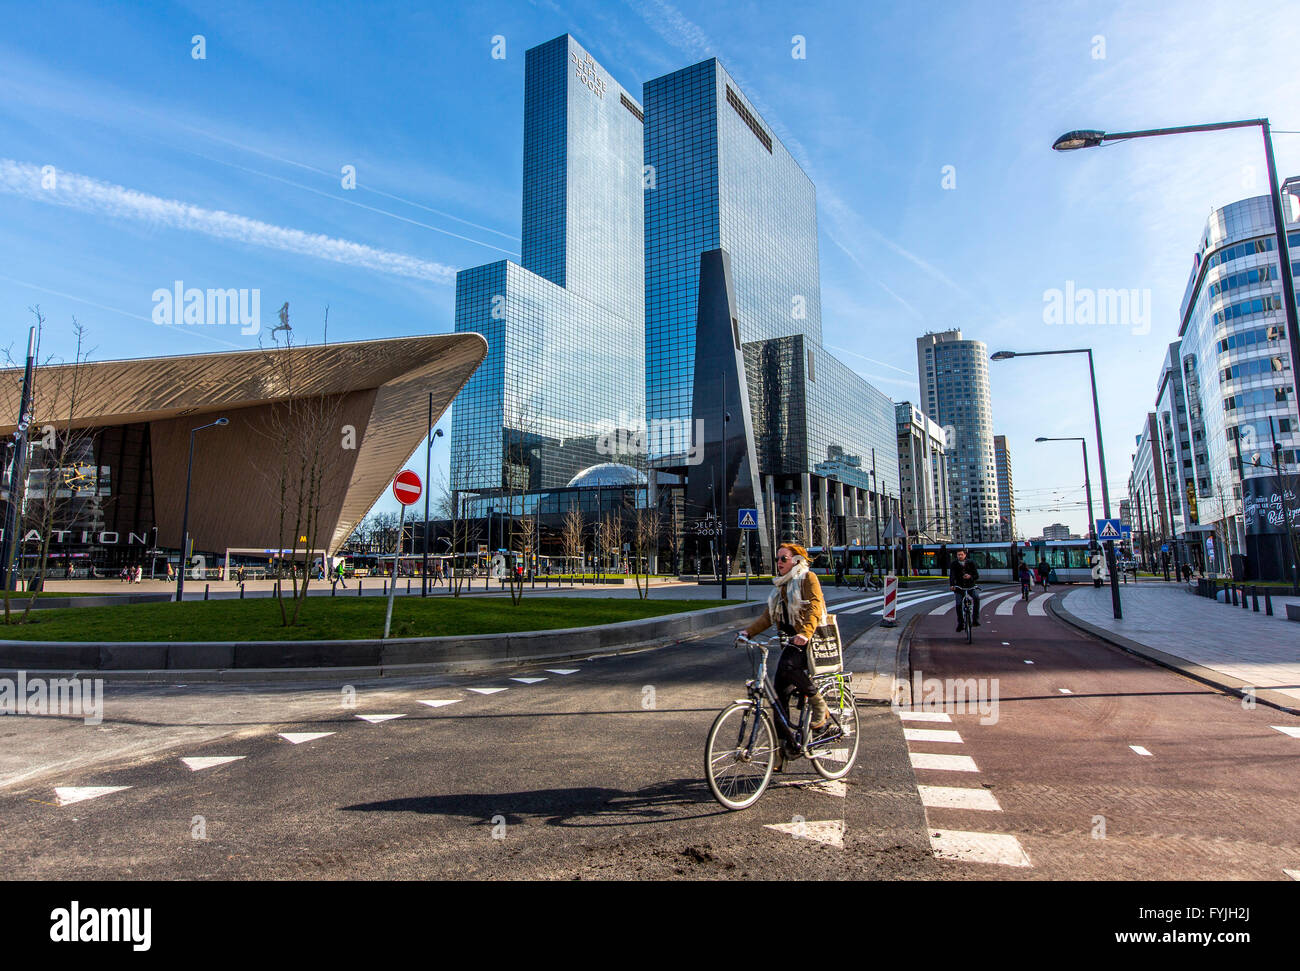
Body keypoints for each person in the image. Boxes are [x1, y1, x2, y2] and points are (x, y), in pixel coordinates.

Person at [738, 543, 830, 769]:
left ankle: (820, 706)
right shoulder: (781, 586)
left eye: (783, 559)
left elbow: (815, 608)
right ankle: (783, 750)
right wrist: (748, 632)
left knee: (789, 666)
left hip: (807, 640)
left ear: (796, 561)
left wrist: (805, 633)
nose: (779, 563)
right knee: (778, 698)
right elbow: (768, 616)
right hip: (789, 641)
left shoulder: (808, 578)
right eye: (778, 559)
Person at [949, 548, 981, 632]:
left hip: (970, 586)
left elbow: (976, 575)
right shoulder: (954, 564)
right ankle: (960, 623)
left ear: (965, 555)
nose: (959, 556)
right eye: (958, 555)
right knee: (958, 604)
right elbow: (952, 575)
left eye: (961, 554)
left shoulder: (971, 563)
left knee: (976, 598)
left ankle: (975, 620)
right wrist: (952, 585)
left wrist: (970, 576)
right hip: (959, 587)